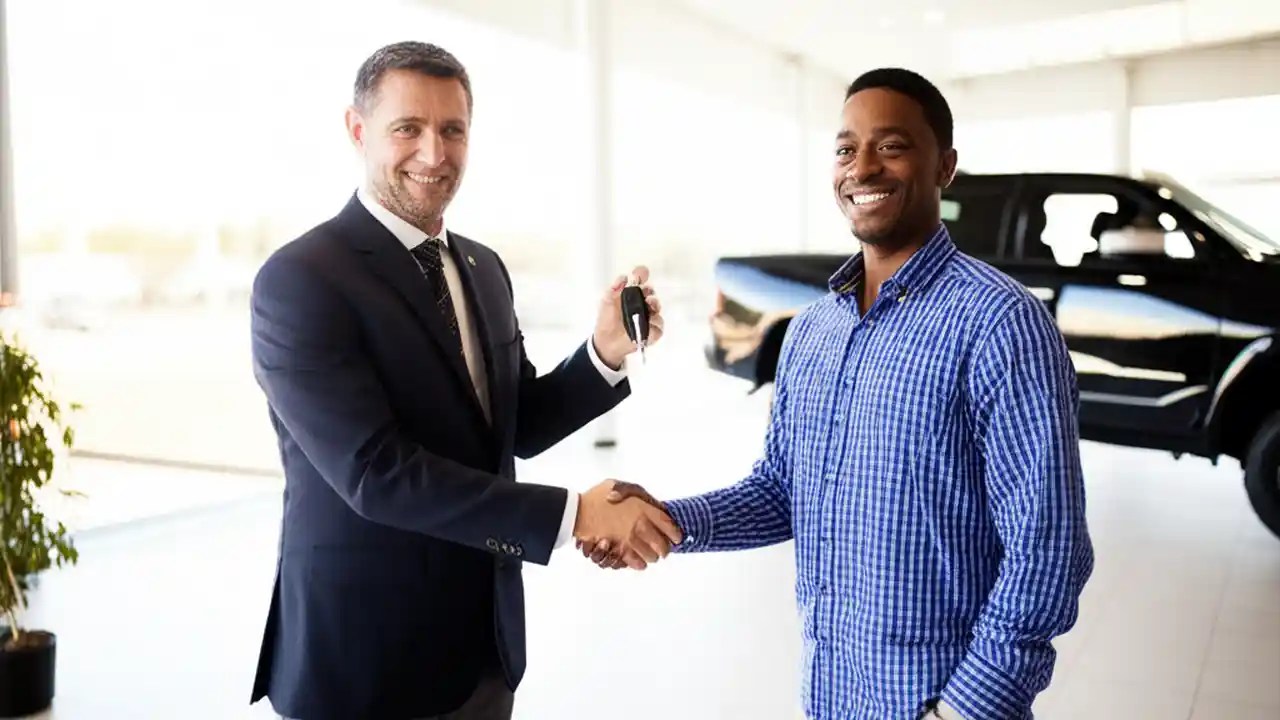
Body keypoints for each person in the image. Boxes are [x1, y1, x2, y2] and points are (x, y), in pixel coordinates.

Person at [580, 68, 1094, 720]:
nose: (863, 167)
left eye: (893, 145)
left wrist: (964, 709)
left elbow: (1049, 549)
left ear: (946, 167)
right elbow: (782, 491)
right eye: (846, 149)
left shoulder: (999, 323)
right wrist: (666, 523)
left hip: (940, 700)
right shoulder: (813, 332)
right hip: (832, 691)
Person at [248, 41, 681, 720]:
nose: (433, 152)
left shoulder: (482, 268)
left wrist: (604, 350)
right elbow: (374, 472)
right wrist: (574, 515)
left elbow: (516, 424)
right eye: (407, 129)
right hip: (364, 661)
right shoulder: (301, 280)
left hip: (484, 646)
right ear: (358, 131)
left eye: (452, 130)